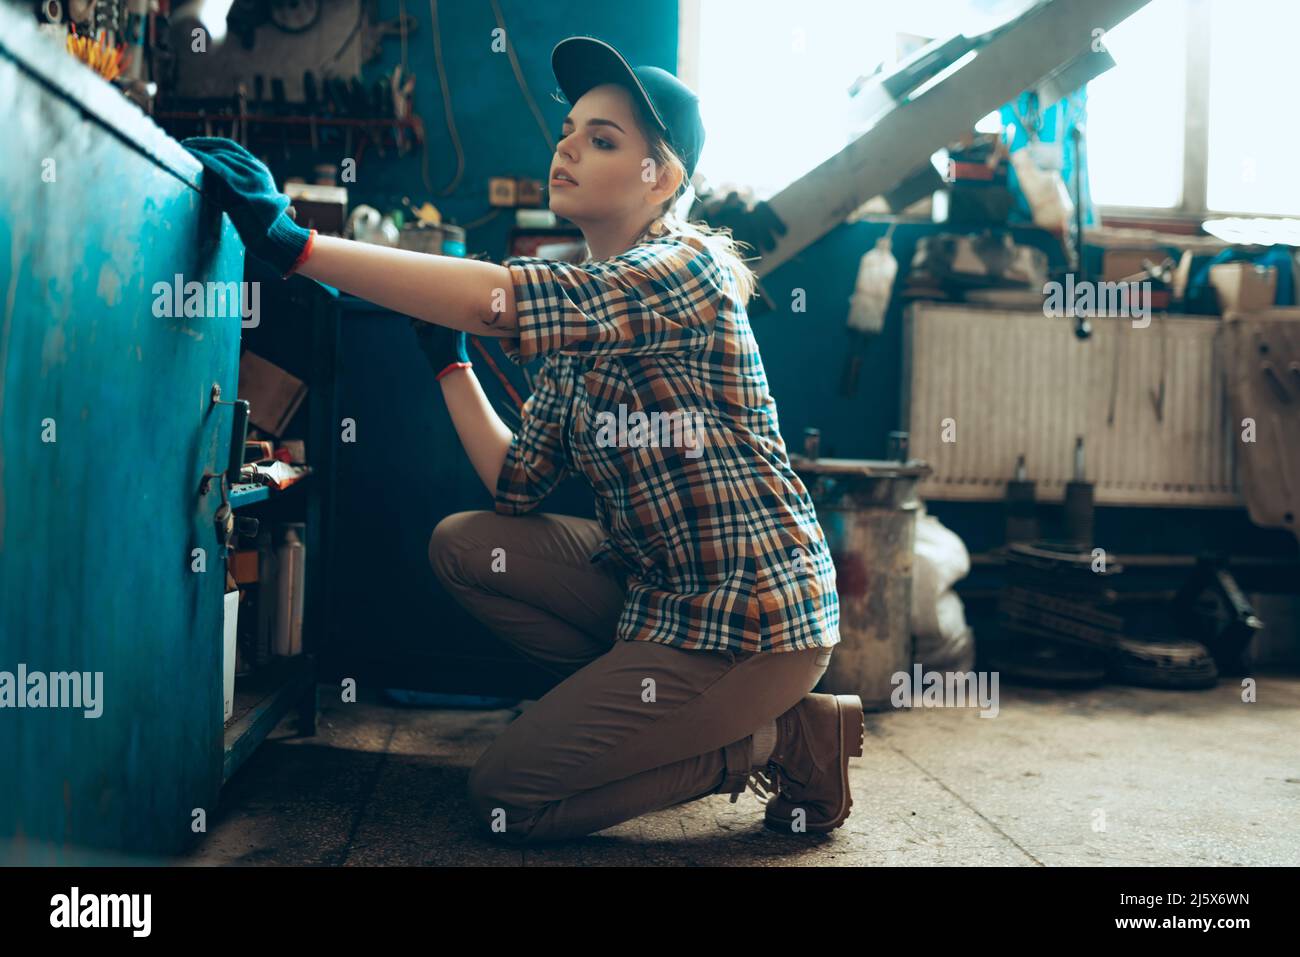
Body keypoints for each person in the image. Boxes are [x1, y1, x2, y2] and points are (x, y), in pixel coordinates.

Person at [183, 35, 864, 845]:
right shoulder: (586, 302)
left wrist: (297, 245)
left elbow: (501, 301)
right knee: (467, 545)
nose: (569, 147)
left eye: (603, 139)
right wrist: (451, 367)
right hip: (661, 597)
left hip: (753, 619)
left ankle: (780, 737)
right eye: (569, 129)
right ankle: (654, 717)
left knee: (511, 794)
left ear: (665, 179)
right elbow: (516, 482)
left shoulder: (687, 269)